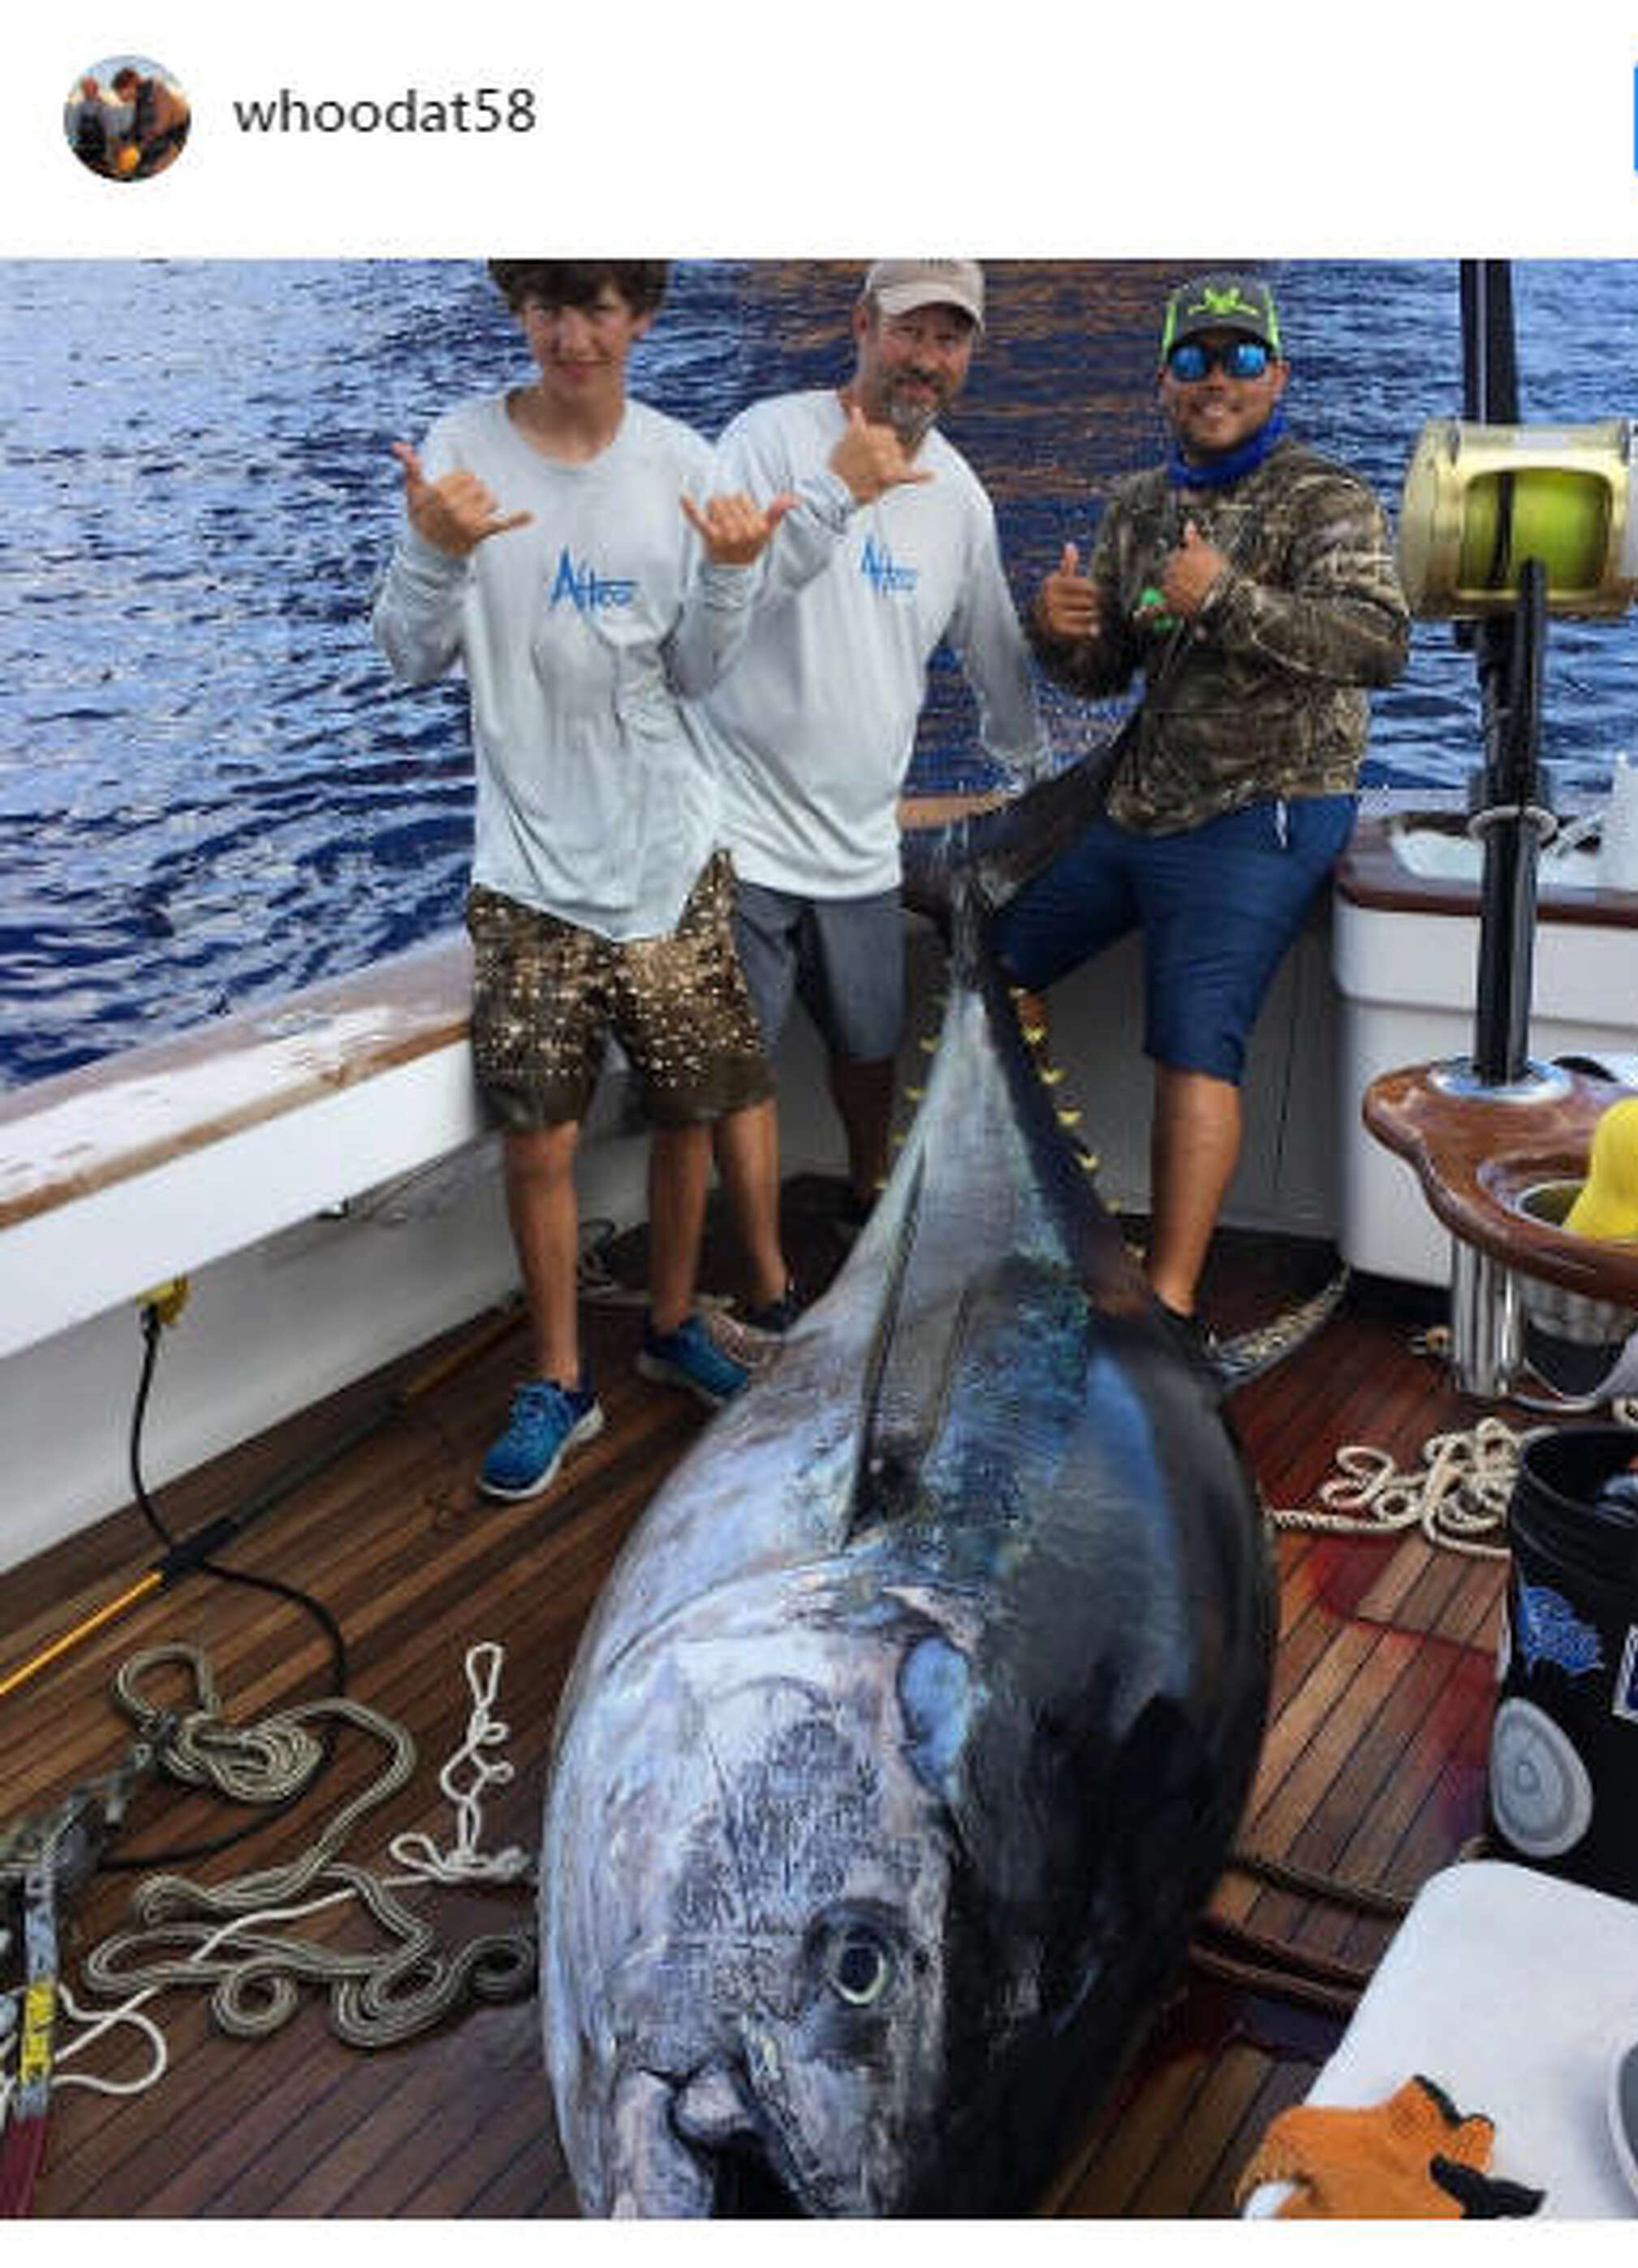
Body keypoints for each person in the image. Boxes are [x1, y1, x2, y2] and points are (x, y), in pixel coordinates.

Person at [375, 260, 795, 1499]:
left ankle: (670, 1326)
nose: (571, 334)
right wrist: (435, 552)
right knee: (538, 1141)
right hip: (529, 872)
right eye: (548, 307)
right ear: (520, 313)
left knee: (688, 1117)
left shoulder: (685, 465)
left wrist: (728, 575)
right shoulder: (459, 451)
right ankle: (561, 1379)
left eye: (598, 307)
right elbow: (405, 656)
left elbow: (704, 674)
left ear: (642, 318)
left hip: (670, 856)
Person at [995, 274, 1410, 1331]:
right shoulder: (1138, 503)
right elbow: (1105, 675)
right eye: (1192, 361)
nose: (1214, 380)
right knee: (993, 967)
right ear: (1165, 381)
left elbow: (1378, 646)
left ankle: (1167, 1300)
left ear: (1277, 375)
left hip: (1268, 807)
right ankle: (1040, 1220)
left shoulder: (1330, 500)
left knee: (1194, 1039)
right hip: (1142, 804)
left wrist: (1222, 596)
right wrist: (1062, 627)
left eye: (1237, 359)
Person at [695, 260, 1048, 1327]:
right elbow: (715, 613)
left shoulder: (962, 498)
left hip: (858, 836)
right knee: (738, 1067)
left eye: (952, 341)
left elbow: (993, 652)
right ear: (862, 326)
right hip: (736, 825)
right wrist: (837, 494)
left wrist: (1029, 776)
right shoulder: (768, 440)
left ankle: (864, 1198)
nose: (928, 359)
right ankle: (764, 1281)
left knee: (868, 1046)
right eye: (910, 333)